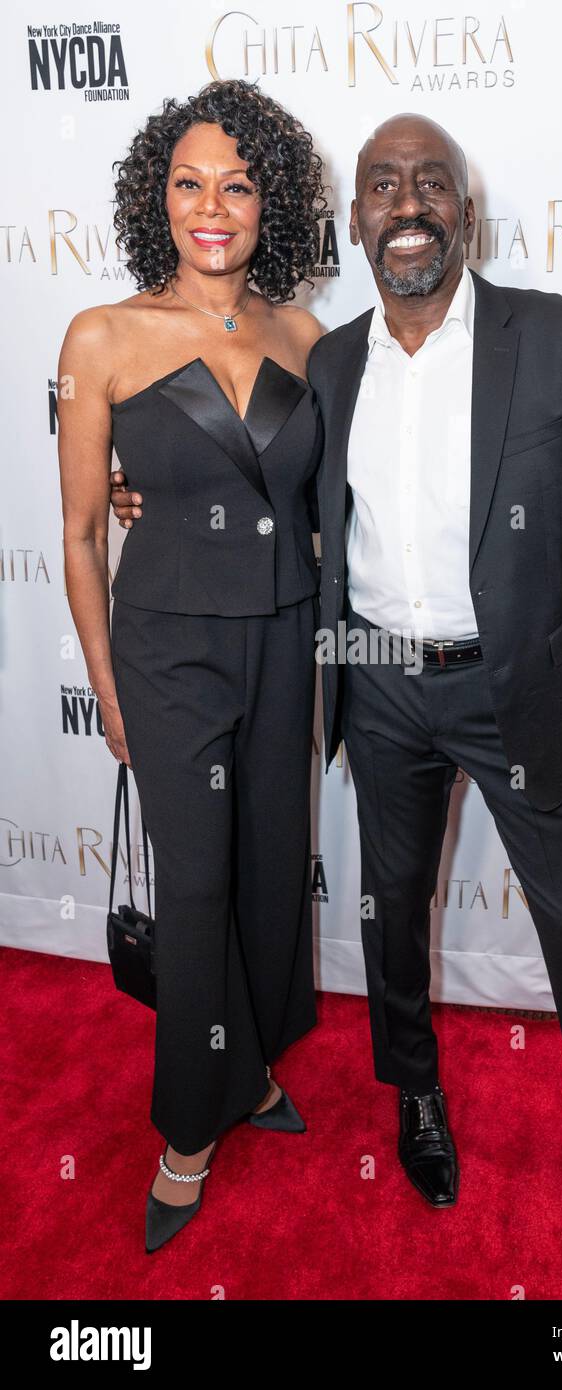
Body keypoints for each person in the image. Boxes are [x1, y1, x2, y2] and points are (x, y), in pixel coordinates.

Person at [114, 112, 562, 1269]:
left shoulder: (559, 338)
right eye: (382, 187)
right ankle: (414, 1099)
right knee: (391, 914)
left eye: (430, 185)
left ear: (463, 208)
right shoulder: (332, 357)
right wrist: (144, 492)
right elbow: (261, 477)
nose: (406, 205)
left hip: (517, 689)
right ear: (355, 217)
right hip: (377, 685)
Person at [58, 78, 325, 1253]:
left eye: (238, 183)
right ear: (153, 196)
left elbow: (324, 500)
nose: (210, 206)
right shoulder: (102, 335)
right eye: (187, 182)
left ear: (271, 203)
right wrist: (109, 685)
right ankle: (187, 1128)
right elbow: (75, 533)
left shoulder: (304, 335)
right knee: (199, 887)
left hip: (286, 634)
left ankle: (253, 1064)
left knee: (273, 875)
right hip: (166, 650)